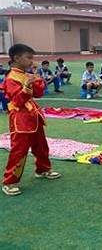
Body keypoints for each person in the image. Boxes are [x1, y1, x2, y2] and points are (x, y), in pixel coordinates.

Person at [2, 44, 61, 196]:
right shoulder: (10, 78)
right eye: (29, 58)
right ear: (16, 58)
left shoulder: (27, 74)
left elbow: (40, 93)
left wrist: (35, 76)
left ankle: (43, 169)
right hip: (21, 118)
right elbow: (17, 101)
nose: (31, 61)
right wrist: (27, 87)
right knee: (19, 150)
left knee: (41, 145)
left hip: (34, 116)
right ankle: (9, 182)